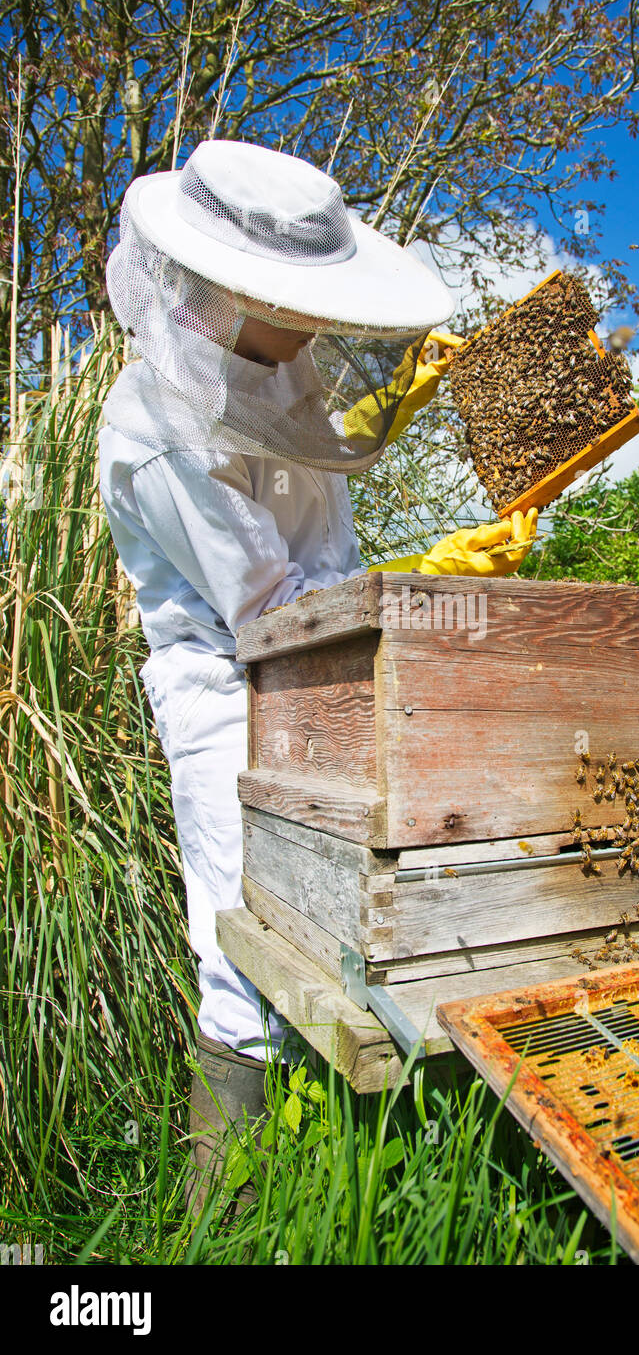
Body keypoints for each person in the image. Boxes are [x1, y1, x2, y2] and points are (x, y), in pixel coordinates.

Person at [99, 139, 537, 1205]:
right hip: (230, 691)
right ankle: (227, 1209)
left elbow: (314, 455)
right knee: (240, 938)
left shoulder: (259, 359)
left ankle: (343, 1170)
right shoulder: (155, 433)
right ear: (220, 284)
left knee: (339, 919)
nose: (312, 324)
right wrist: (431, 573)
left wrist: (409, 400)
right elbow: (271, 613)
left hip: (334, 669)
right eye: (288, 299)